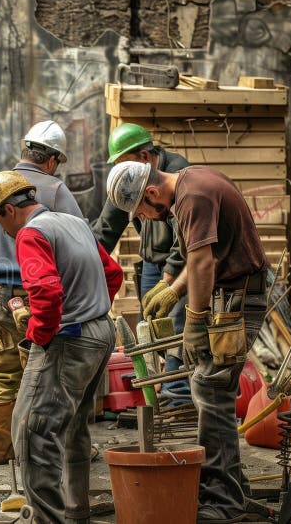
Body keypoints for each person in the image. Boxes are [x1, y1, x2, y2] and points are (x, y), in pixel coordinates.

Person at [106, 161, 269, 523]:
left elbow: (203, 263)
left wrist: (194, 320)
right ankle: (232, 489)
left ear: (151, 193)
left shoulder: (191, 198)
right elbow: (201, 258)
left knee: (211, 390)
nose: (146, 219)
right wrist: (173, 289)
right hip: (233, 295)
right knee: (209, 388)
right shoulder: (192, 180)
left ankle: (223, 501)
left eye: (143, 212)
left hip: (238, 299)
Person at [0, 170, 121, 523]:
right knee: (73, 427)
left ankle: (47, 519)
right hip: (101, 331)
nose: (3, 231)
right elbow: (113, 274)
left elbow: (46, 291)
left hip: (69, 337)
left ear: (8, 210)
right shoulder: (75, 224)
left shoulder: (31, 233)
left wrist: (38, 334)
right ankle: (75, 513)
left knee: (33, 429)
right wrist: (89, 307)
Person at [0, 120, 83, 465]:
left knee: (5, 368)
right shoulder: (56, 190)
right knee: (52, 367)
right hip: (39, 290)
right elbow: (78, 239)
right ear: (51, 159)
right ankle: (50, 449)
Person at [91, 122, 191, 400]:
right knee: (150, 324)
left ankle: (177, 395)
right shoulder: (130, 177)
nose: (120, 171)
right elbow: (106, 228)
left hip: (181, 262)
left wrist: (169, 280)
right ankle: (161, 384)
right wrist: (86, 260)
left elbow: (184, 240)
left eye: (123, 163)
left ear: (144, 157)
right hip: (150, 263)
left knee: (176, 323)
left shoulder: (177, 174)